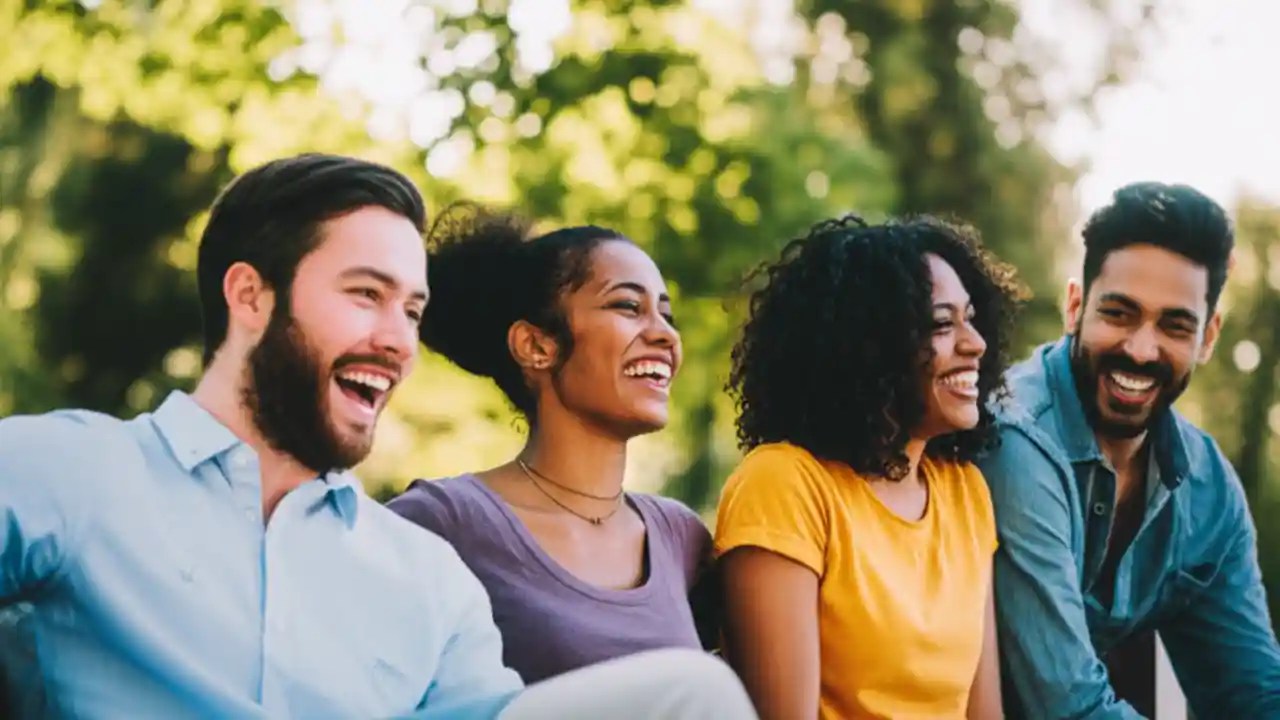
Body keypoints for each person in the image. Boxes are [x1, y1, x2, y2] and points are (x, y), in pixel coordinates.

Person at [0, 154, 756, 720]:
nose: (397, 340)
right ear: (249, 296)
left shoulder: (425, 576)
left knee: (694, 693)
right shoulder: (76, 472)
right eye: (367, 294)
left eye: (413, 312)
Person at [977, 182, 1280, 719]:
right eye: (1119, 314)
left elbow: (1251, 692)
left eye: (1174, 325)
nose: (1141, 350)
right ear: (1076, 307)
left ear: (1208, 336)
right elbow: (1067, 707)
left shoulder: (1210, 488)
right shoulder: (1015, 439)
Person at [388, 206, 720, 684]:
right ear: (535, 346)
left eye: (666, 315)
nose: (665, 334)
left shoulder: (680, 538)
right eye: (628, 306)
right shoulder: (442, 523)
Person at [714, 214, 1020, 719]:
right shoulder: (783, 484)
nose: (976, 344)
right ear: (871, 346)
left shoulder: (964, 491)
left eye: (971, 318)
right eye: (942, 324)